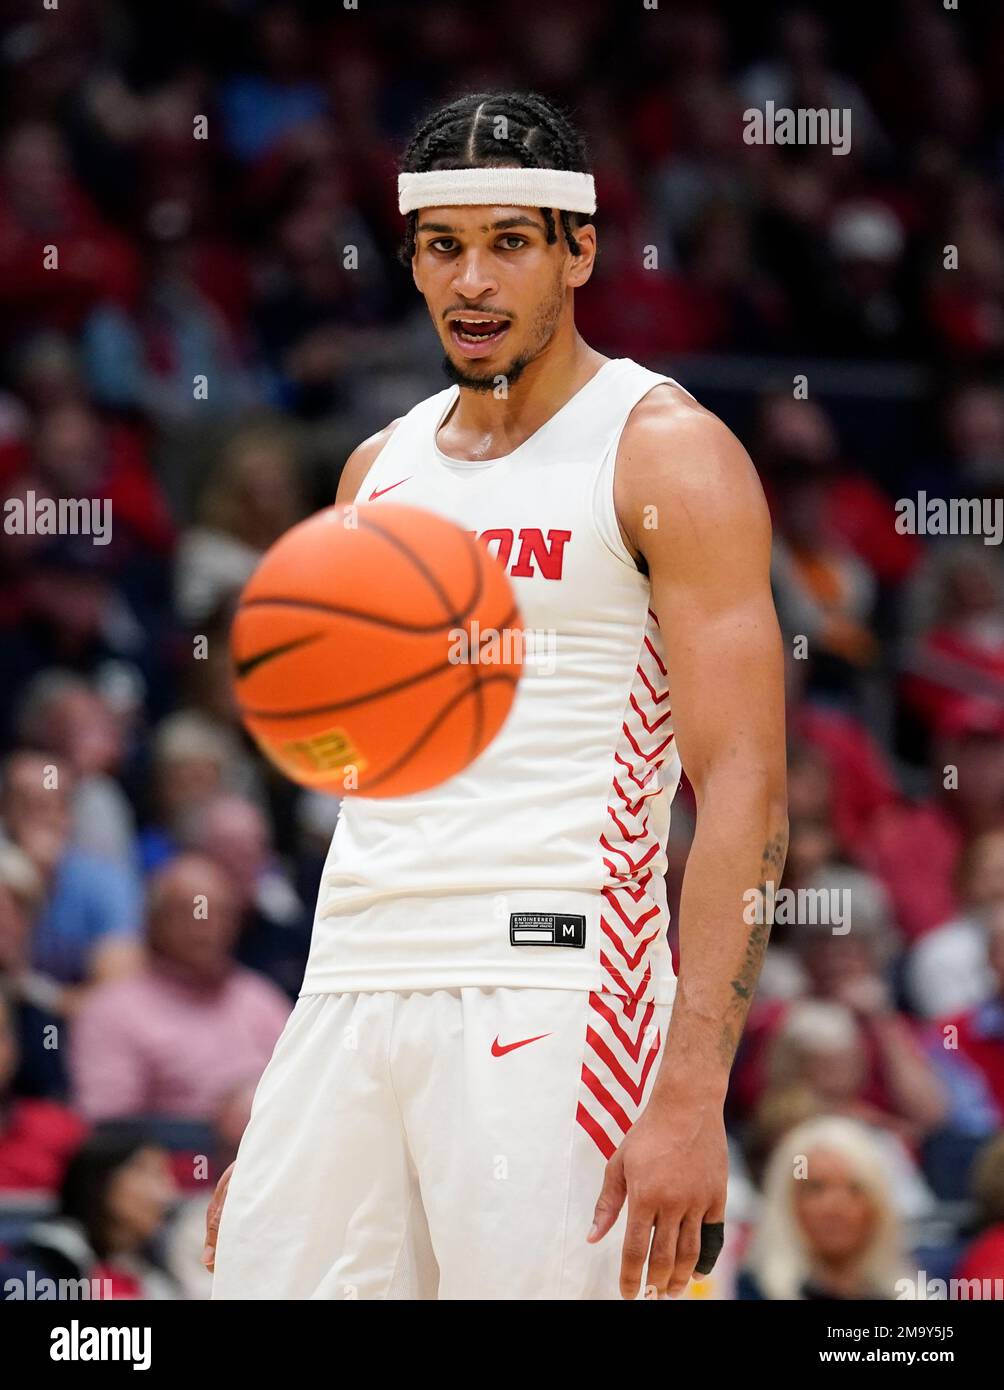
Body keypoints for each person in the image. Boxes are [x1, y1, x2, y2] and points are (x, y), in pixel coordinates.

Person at [208, 90, 788, 1301]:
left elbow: (743, 787)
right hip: (354, 985)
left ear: (577, 250)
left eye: (508, 243)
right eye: (442, 246)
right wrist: (296, 1071)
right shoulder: (379, 466)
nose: (471, 282)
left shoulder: (662, 450)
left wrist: (688, 1096)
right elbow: (375, 799)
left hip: (561, 982)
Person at [69, 855, 290, 1122]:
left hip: (277, 1152)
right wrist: (221, 1125)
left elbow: (308, 1086)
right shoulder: (111, 1011)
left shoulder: (261, 998)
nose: (206, 924)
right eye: (190, 911)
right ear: (156, 921)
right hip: (177, 1157)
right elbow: (108, 1130)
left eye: (220, 912)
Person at [0, 1122, 180, 1299]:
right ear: (102, 1183)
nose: (168, 1193)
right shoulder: (39, 1264)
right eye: (155, 1174)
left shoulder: (154, 1275)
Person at [738, 1115, 906, 1300]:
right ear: (788, 1201)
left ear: (877, 1207)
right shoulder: (749, 1291)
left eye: (854, 1190)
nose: (835, 1208)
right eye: (816, 1188)